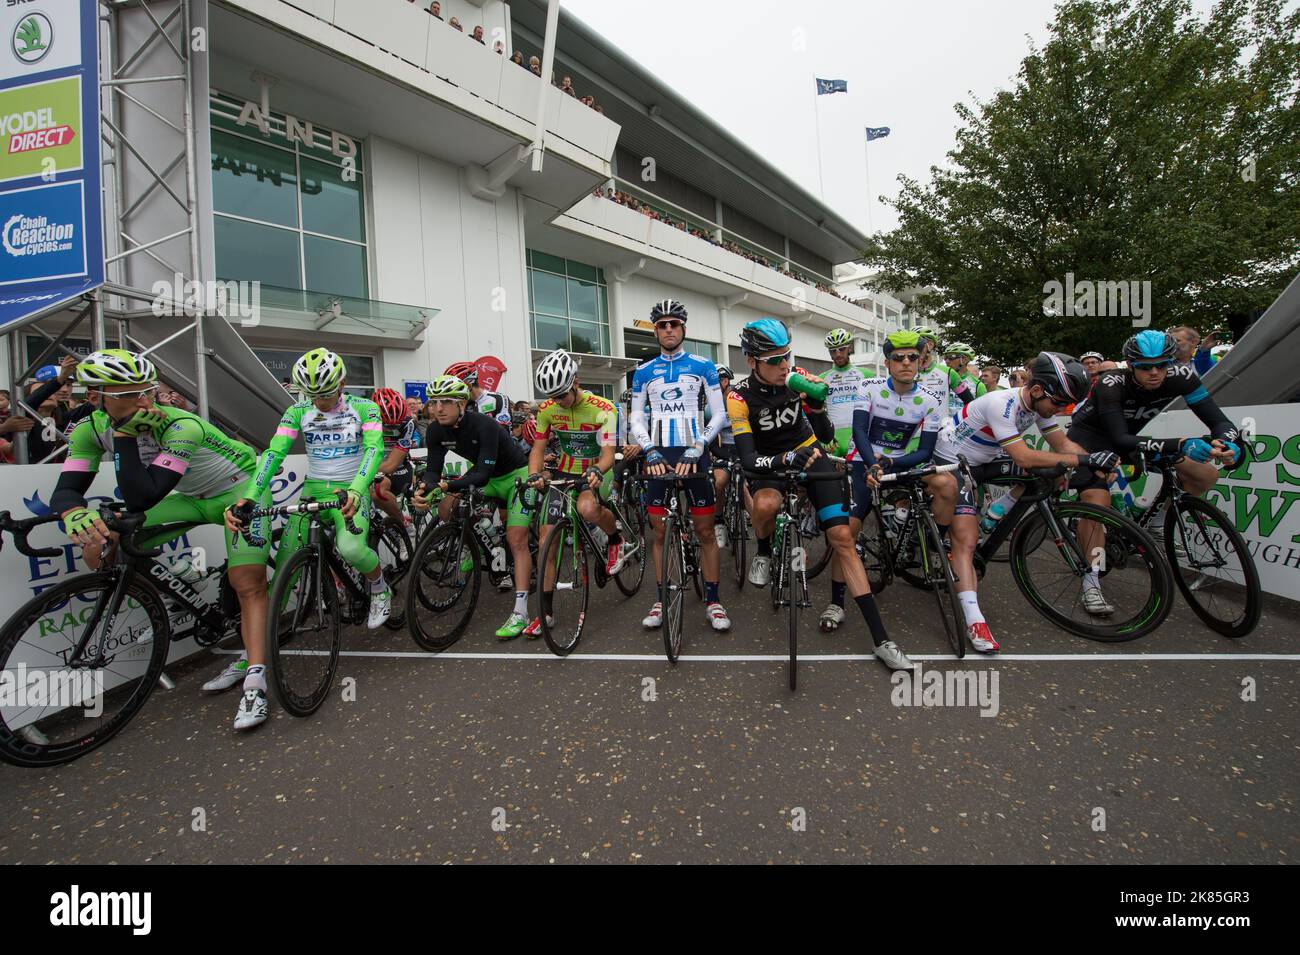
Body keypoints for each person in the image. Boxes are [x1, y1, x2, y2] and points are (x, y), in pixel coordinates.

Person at [50, 349, 273, 730]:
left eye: (148, 391)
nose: (143, 401)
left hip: (240, 489)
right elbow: (68, 487)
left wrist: (123, 437)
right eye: (128, 394)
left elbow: (143, 495)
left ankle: (256, 678)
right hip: (190, 498)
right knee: (112, 527)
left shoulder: (180, 424)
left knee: (246, 582)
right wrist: (72, 512)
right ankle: (127, 582)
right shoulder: (89, 429)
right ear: (94, 399)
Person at [728, 318, 914, 671]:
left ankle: (882, 640)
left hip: (812, 455)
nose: (784, 366)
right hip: (771, 463)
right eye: (774, 360)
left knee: (842, 537)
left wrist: (815, 404)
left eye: (787, 356)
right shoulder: (738, 397)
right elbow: (749, 458)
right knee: (766, 503)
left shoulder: (796, 379)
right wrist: (783, 458)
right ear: (751, 361)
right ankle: (764, 550)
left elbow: (826, 433)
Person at [927, 353, 1110, 652]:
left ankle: (997, 511)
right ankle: (974, 619)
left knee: (1049, 474)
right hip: (953, 460)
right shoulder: (1003, 403)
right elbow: (1023, 456)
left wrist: (1092, 463)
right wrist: (1081, 459)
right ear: (1037, 391)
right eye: (1059, 402)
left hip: (986, 458)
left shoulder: (1040, 405)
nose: (1062, 409)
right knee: (967, 539)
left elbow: (1062, 445)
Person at [1067, 330, 1242, 611]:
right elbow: (1120, 439)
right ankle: (1091, 580)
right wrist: (1182, 443)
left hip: (1133, 438)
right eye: (1145, 367)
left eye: (1162, 365)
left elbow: (1220, 422)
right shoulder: (1111, 383)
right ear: (1130, 365)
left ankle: (1159, 521)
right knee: (1095, 502)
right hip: (1091, 438)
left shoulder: (1182, 377)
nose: (1154, 373)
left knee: (1206, 474)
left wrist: (1229, 443)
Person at [227, 348, 392, 634]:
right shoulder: (298, 411)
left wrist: (356, 489)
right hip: (313, 491)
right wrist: (251, 494)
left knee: (351, 548)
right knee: (284, 571)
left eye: (326, 394)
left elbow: (375, 449)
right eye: (313, 396)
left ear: (342, 383)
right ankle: (256, 651)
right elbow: (274, 453)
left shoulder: (365, 408)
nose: (320, 402)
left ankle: (379, 588)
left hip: (350, 489)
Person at [816, 331, 947, 633]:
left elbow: (925, 451)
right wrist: (873, 463)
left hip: (897, 463)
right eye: (898, 358)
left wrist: (890, 462)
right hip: (863, 461)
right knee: (846, 532)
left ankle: (928, 546)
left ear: (920, 360)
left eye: (912, 357)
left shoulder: (929, 400)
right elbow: (860, 432)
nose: (906, 363)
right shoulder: (869, 388)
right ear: (887, 363)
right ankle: (837, 602)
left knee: (944, 487)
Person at [628, 299, 730, 632]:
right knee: (659, 532)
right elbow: (635, 418)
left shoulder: (703, 365)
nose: (668, 329)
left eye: (674, 324)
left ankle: (713, 601)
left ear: (683, 329)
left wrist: (699, 445)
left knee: (704, 532)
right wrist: (650, 450)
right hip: (659, 456)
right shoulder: (643, 372)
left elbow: (720, 414)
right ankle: (661, 598)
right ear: (655, 330)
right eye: (662, 325)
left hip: (694, 453)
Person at [413, 375, 535, 639]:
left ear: (462, 404)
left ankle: (521, 611)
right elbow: (433, 472)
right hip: (487, 476)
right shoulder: (435, 430)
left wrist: (446, 486)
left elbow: (480, 475)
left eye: (446, 402)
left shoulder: (484, 425)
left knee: (516, 539)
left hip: (514, 476)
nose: (439, 408)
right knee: (446, 507)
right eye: (434, 403)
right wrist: (425, 488)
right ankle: (469, 544)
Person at [525, 350, 622, 637]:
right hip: (565, 472)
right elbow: (538, 449)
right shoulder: (546, 410)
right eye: (553, 396)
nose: (559, 401)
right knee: (546, 541)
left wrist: (598, 471)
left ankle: (615, 538)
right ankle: (546, 613)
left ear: (576, 382)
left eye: (563, 394)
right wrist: (534, 474)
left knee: (588, 509)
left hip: (596, 468)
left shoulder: (602, 408)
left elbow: (608, 453)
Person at [370, 387, 417, 526]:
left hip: (398, 469)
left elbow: (391, 466)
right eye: (385, 426)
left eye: (394, 426)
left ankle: (402, 525)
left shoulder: (407, 423)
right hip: (373, 466)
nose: (390, 429)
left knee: (378, 491)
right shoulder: (364, 420)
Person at [708, 364, 741, 547]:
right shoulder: (710, 407)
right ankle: (719, 520)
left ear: (726, 381)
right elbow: (711, 441)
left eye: (717, 381)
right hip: (725, 449)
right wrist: (727, 457)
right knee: (719, 482)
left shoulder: (740, 399)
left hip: (745, 447)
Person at [445, 361, 512, 430]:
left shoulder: (498, 399)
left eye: (456, 389)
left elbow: (504, 431)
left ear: (468, 386)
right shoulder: (459, 405)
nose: (453, 395)